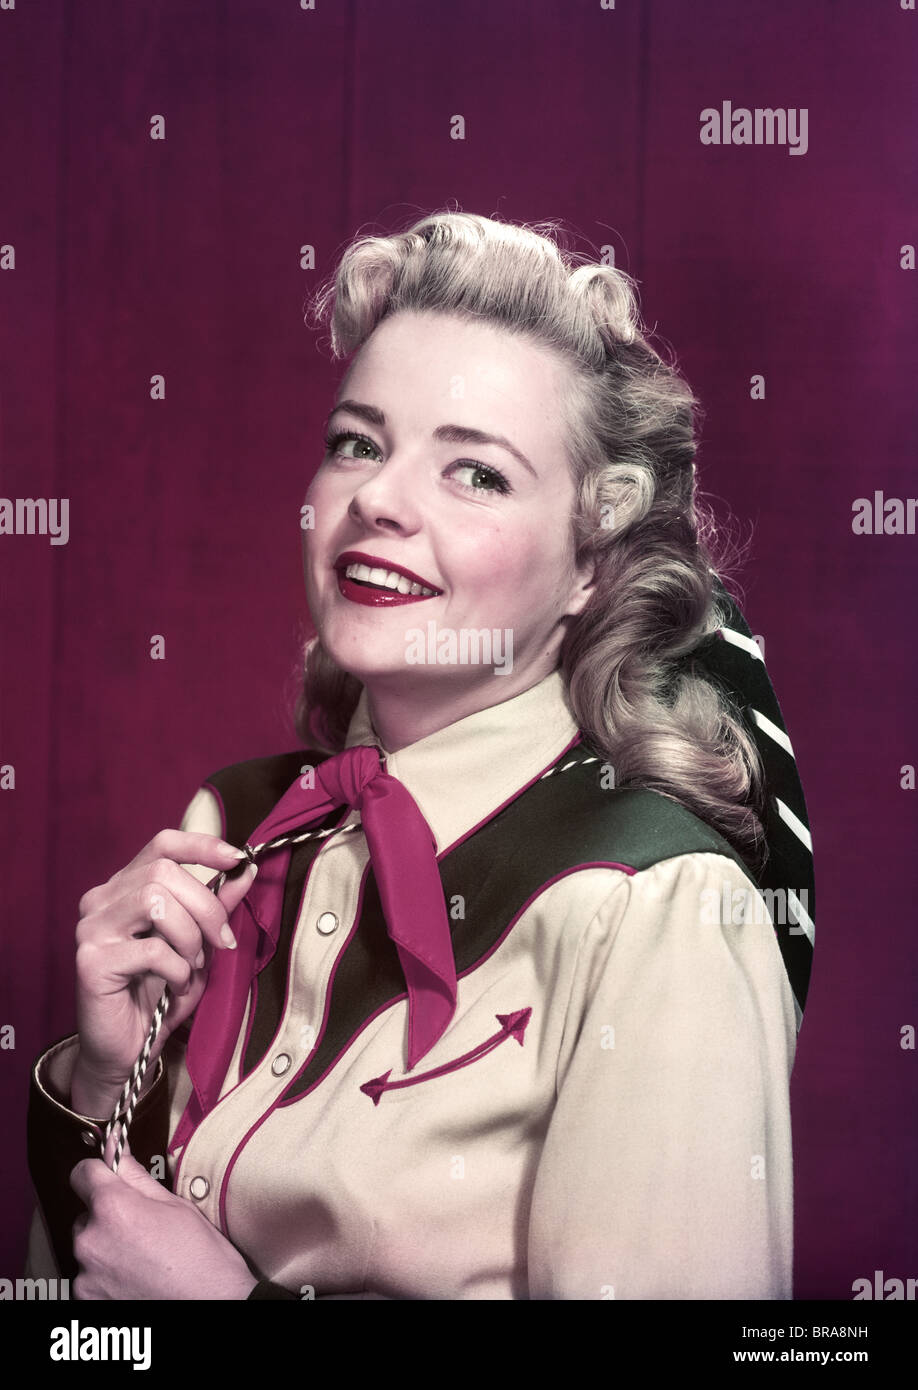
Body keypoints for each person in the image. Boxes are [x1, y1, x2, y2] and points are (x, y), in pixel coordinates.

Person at [25, 211, 811, 1300]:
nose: (379, 500)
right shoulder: (234, 829)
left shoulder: (655, 907)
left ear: (591, 557)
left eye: (476, 473)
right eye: (358, 441)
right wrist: (100, 1078)